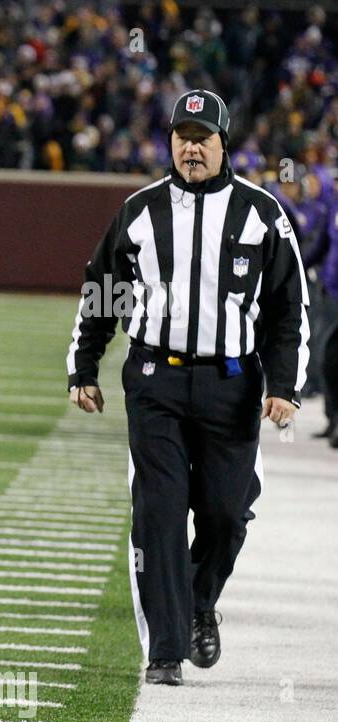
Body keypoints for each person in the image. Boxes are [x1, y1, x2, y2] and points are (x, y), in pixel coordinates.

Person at [66, 90, 309, 686]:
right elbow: (102, 289)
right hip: (155, 380)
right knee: (160, 513)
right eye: (182, 135)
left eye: (202, 137)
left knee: (227, 513)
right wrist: (84, 366)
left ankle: (201, 603)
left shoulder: (262, 212)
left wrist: (284, 385)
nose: (191, 147)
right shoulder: (140, 210)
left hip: (231, 383)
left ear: (226, 143)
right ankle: (167, 649)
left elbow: (287, 307)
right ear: (169, 140)